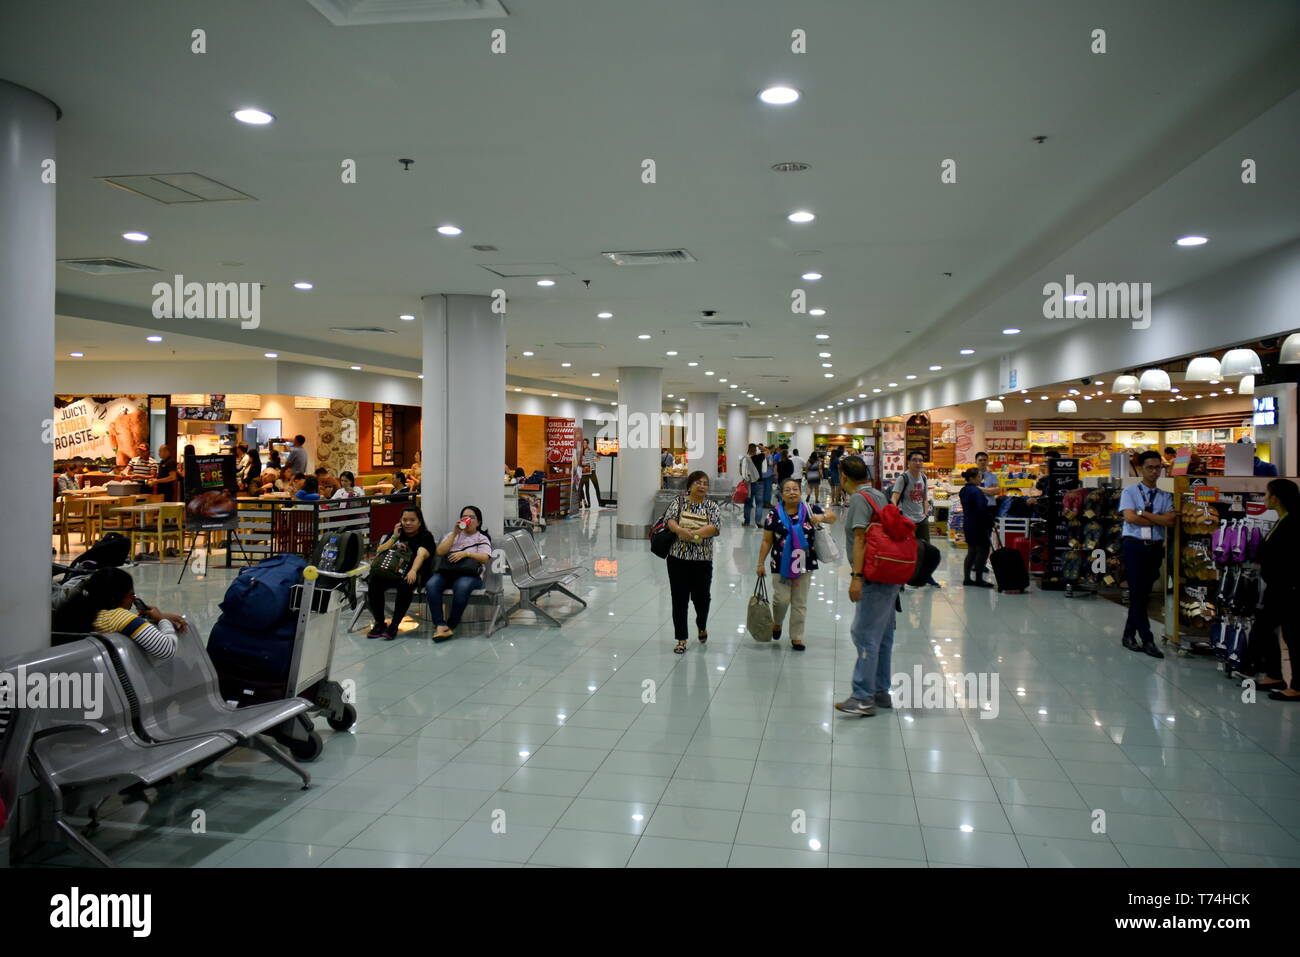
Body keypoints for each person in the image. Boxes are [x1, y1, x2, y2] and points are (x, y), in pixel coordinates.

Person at [835, 456, 901, 717]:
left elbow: (860, 539)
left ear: (843, 477)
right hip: (890, 572)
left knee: (864, 635)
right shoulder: (879, 495)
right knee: (883, 636)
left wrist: (856, 576)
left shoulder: (860, 500)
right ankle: (881, 691)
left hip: (874, 575)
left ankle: (862, 697)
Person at [758, 477, 836, 650]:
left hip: (804, 562)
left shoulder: (809, 510)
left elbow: (832, 517)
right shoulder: (774, 514)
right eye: (788, 490)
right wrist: (760, 563)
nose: (792, 492)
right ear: (781, 494)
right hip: (780, 562)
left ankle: (797, 637)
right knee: (781, 600)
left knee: (799, 601)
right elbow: (766, 541)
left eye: (795, 489)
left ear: (800, 492)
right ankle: (777, 623)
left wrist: (821, 517)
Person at [1242, 479, 1300, 699]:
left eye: (1267, 494)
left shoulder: (1293, 522)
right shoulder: (1282, 519)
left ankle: (1296, 686)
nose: (1264, 498)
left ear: (1276, 497)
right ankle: (1274, 674)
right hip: (1278, 587)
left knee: (1292, 635)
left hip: (1289, 589)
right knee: (1265, 629)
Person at [53, 567, 188, 659]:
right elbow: (167, 649)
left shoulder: (80, 610)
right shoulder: (117, 616)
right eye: (131, 595)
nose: (134, 599)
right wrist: (161, 619)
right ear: (116, 597)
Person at [1118, 450, 1176, 658]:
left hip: (1154, 548)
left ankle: (1128, 635)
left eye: (1157, 467)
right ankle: (1148, 639)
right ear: (1141, 469)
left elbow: (1170, 521)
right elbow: (1130, 518)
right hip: (1134, 546)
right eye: (1150, 467)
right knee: (1137, 593)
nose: (1154, 471)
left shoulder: (1165, 496)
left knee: (1142, 595)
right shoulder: (1130, 492)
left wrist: (1145, 513)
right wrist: (1157, 518)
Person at [664, 470, 723, 654]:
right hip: (677, 559)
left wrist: (693, 534)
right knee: (679, 599)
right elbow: (670, 520)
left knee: (701, 598)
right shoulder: (679, 502)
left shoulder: (712, 506)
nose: (702, 486)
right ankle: (681, 638)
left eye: (705, 483)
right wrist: (679, 530)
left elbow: (714, 527)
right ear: (689, 485)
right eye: (698, 483)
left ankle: (701, 624)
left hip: (702, 561)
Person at [426, 505, 493, 642]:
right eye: (464, 517)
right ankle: (440, 624)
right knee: (432, 584)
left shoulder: (481, 538)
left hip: (470, 575)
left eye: (471, 517)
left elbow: (485, 557)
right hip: (447, 572)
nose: (467, 519)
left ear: (478, 522)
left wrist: (466, 553)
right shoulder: (452, 535)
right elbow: (440, 552)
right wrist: (455, 533)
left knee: (461, 586)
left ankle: (451, 624)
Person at [368, 506, 435, 640]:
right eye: (405, 520)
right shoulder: (396, 534)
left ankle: (394, 625)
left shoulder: (425, 536)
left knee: (406, 584)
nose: (408, 523)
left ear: (419, 522)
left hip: (414, 572)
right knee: (374, 581)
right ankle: (379, 623)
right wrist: (394, 537)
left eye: (412, 520)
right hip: (392, 572)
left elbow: (421, 555)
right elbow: (380, 551)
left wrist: (413, 570)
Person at [893, 450, 940, 587]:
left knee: (927, 550)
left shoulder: (924, 477)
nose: (918, 463)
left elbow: (924, 497)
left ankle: (927, 577)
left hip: (921, 518)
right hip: (907, 520)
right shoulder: (903, 478)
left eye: (920, 460)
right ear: (908, 462)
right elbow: (894, 497)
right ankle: (901, 580)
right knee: (906, 550)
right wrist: (896, 511)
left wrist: (925, 512)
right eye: (915, 460)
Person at [958, 467, 995, 588]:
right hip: (979, 525)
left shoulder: (963, 490)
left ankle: (967, 578)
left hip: (968, 523)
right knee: (982, 551)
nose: (981, 478)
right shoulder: (977, 491)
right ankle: (979, 579)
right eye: (979, 476)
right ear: (972, 478)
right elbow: (981, 509)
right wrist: (990, 522)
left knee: (971, 551)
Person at [739, 443, 763, 527]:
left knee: (748, 503)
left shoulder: (744, 459)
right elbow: (767, 451)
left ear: (748, 449)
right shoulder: (759, 457)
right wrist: (759, 446)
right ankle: (758, 521)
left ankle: (747, 522)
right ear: (755, 450)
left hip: (748, 484)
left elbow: (741, 472)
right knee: (759, 503)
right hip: (759, 483)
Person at [579, 437, 600, 509]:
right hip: (584, 471)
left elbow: (598, 456)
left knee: (596, 486)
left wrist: (597, 459)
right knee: (581, 487)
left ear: (588, 444)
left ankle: (600, 502)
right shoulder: (580, 451)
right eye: (583, 443)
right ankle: (585, 502)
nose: (584, 444)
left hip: (592, 471)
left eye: (585, 443)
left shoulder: (591, 450)